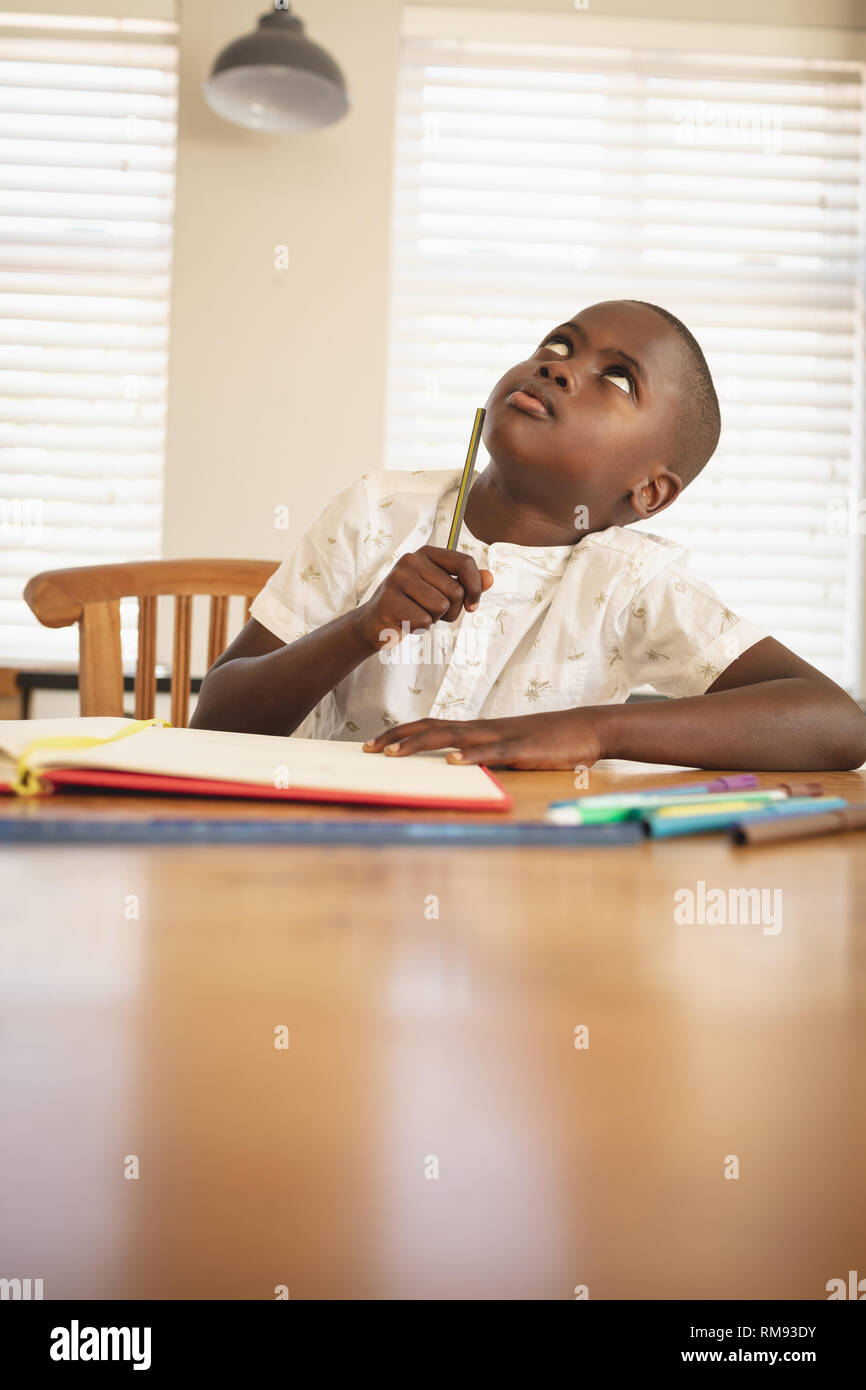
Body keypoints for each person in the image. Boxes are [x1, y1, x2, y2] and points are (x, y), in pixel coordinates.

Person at [191, 300, 866, 771]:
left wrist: (593, 732)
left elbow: (835, 723)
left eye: (618, 377)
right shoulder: (377, 512)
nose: (558, 366)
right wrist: (363, 627)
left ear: (650, 492)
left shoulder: (629, 583)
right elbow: (216, 723)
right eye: (559, 344)